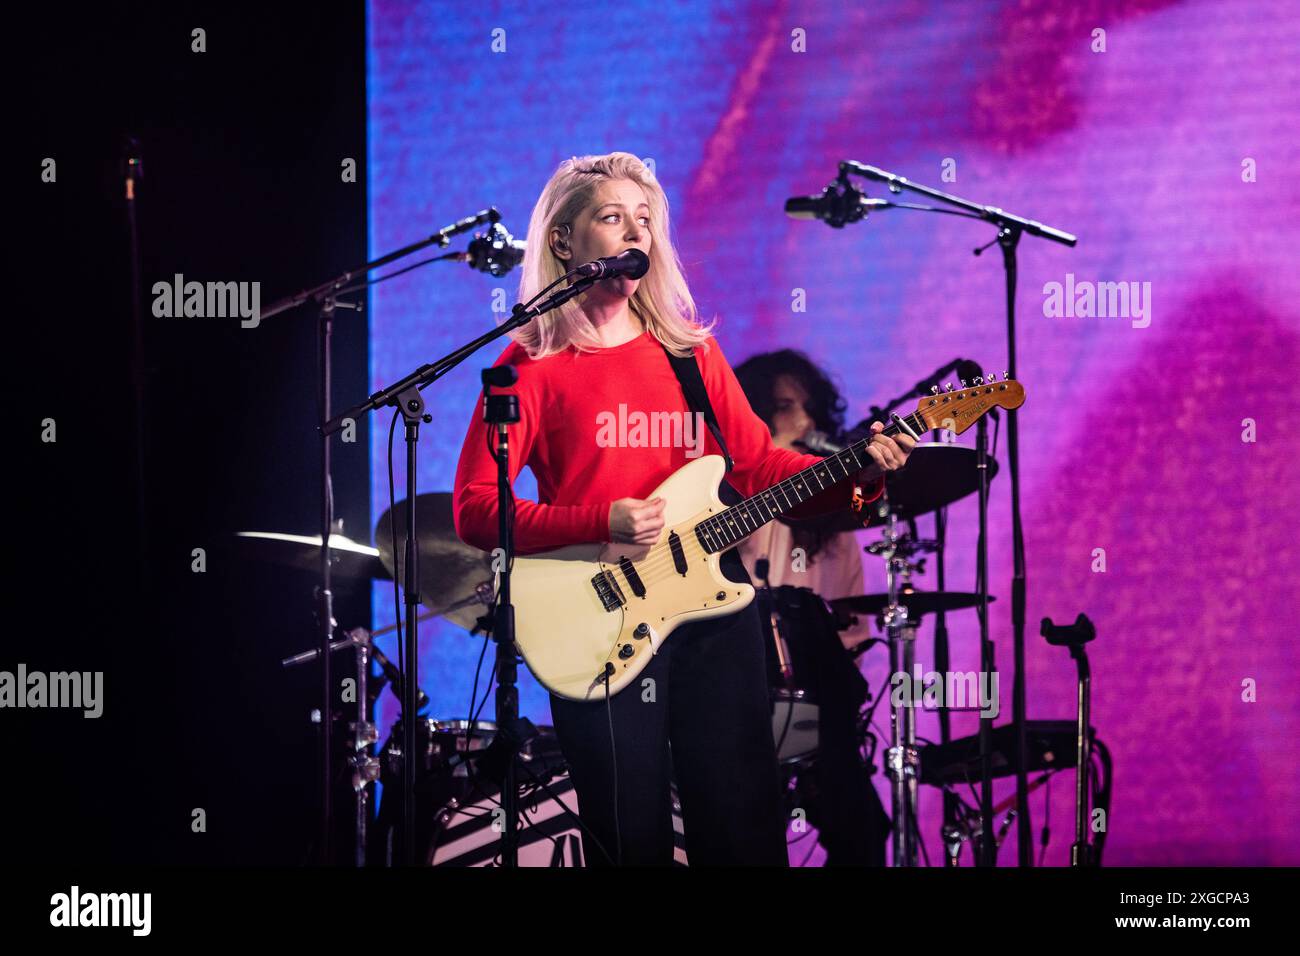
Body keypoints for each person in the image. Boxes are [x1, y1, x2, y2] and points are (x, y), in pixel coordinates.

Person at [451, 151, 914, 866]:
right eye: (612, 218)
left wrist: (861, 477)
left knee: (743, 827)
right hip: (598, 619)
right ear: (564, 241)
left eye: (645, 219)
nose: (634, 232)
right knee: (630, 835)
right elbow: (476, 510)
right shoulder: (528, 366)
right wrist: (598, 522)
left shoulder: (690, 356)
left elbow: (759, 470)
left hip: (714, 615)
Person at [734, 349, 893, 865]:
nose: (802, 422)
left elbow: (852, 619)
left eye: (810, 409)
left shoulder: (837, 522)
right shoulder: (722, 500)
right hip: (740, 695)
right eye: (782, 408)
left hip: (818, 701)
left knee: (863, 827)